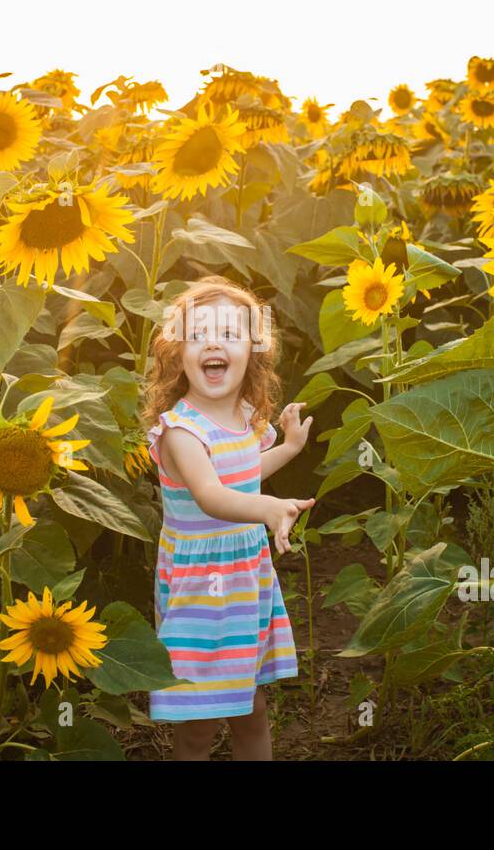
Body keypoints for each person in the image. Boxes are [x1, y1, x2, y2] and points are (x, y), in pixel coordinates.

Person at [140, 275, 315, 760]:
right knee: (198, 723)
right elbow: (212, 496)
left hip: (242, 581)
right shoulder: (181, 431)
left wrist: (289, 448)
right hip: (200, 586)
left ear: (252, 353)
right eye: (198, 334)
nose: (213, 342)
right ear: (177, 353)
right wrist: (268, 509)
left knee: (251, 707)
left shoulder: (241, 416)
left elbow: (242, 473)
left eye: (229, 334)